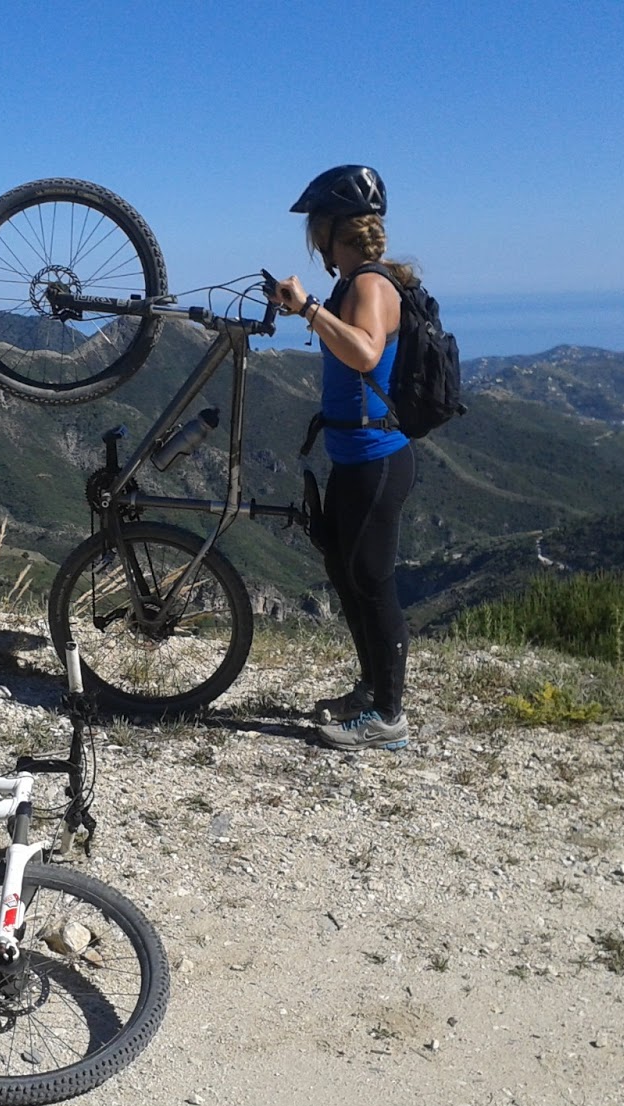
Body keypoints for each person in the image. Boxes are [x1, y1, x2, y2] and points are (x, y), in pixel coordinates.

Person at [274, 164, 418, 752]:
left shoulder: (369, 285)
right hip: (355, 457)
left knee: (371, 581)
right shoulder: (355, 284)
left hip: (376, 459)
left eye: (317, 229)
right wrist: (306, 309)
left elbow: (364, 352)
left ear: (335, 232)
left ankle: (388, 716)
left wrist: (309, 310)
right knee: (346, 573)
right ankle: (370, 690)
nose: (313, 240)